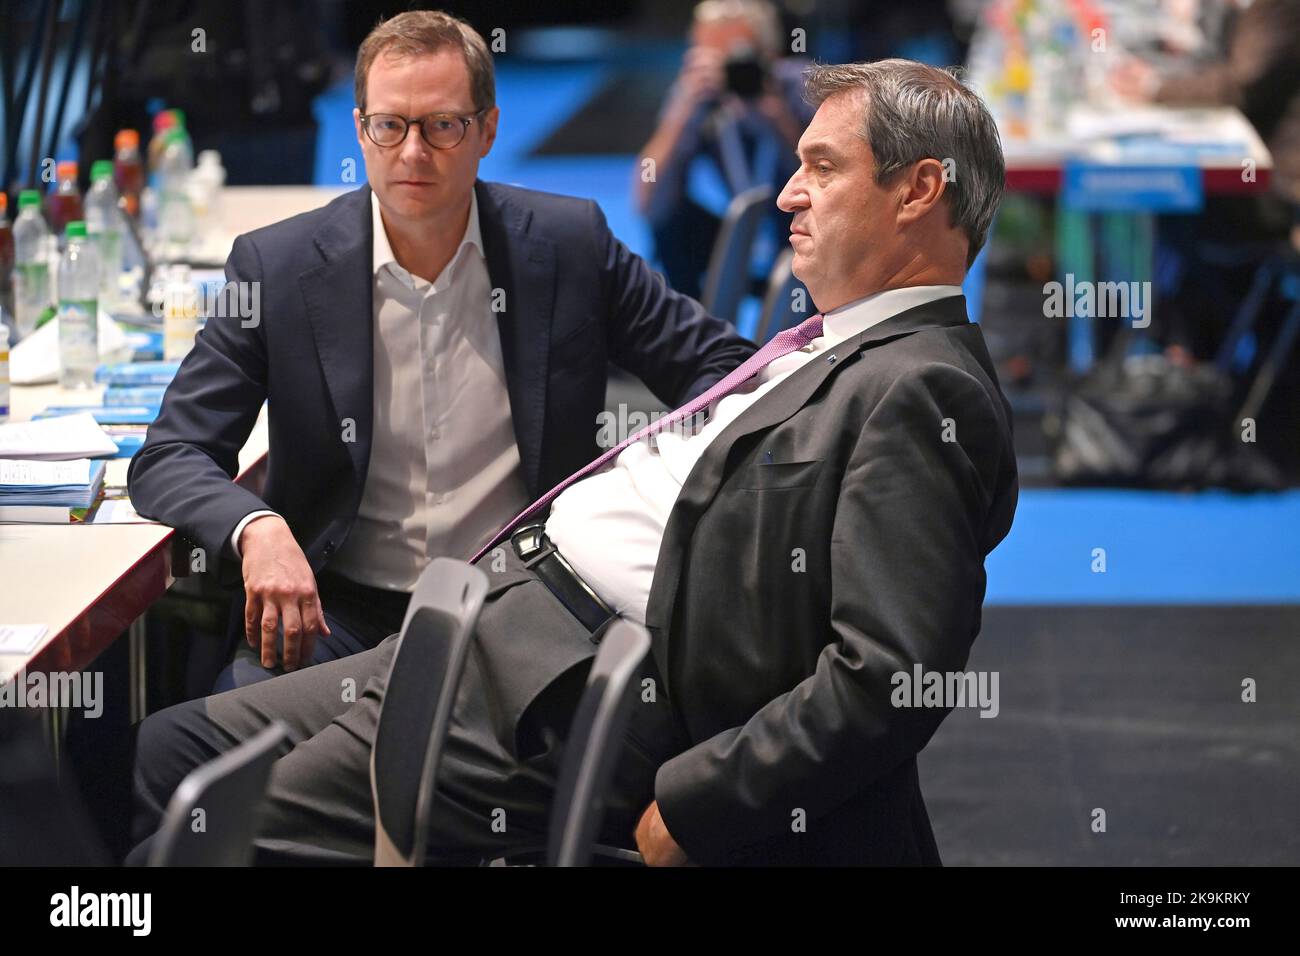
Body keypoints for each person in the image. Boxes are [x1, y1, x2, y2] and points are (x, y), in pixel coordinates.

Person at [129, 59, 1017, 866]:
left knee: (221, 831)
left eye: (822, 169)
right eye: (386, 126)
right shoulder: (825, 346)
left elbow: (893, 675)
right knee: (171, 749)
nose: (788, 194)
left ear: (918, 191)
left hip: (557, 685)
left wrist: (700, 801)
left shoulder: (922, 388)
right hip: (488, 619)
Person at [127, 10, 755, 689]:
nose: (412, 153)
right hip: (337, 612)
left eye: (442, 125)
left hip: (523, 604)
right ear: (361, 129)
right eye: (389, 125)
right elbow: (170, 454)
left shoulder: (567, 245)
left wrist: (642, 499)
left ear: (486, 129)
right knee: (198, 750)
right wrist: (256, 527)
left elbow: (728, 373)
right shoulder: (276, 268)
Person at [635, 0, 814, 299]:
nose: (721, 71)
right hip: (740, 236)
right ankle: (691, 331)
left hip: (799, 229)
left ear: (768, 54)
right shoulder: (695, 97)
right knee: (669, 220)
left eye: (736, 57)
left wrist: (774, 115)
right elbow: (647, 200)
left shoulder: (800, 85)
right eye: (708, 58)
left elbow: (835, 177)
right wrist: (681, 115)